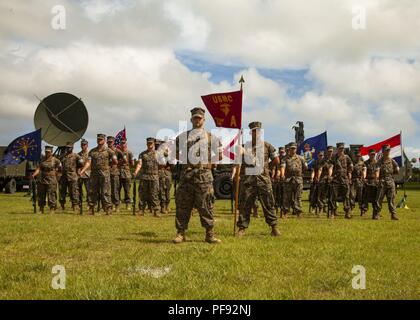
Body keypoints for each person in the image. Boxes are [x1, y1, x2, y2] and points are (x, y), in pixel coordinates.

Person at [173, 107, 223, 244]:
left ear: (204, 120)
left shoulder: (211, 137)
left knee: (206, 205)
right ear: (191, 119)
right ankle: (181, 233)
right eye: (195, 118)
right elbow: (175, 153)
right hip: (187, 175)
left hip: (204, 176)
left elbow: (219, 154)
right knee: (183, 205)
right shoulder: (182, 137)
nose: (197, 120)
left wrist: (208, 164)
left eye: (199, 118)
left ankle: (209, 234)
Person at [236, 121, 281, 237]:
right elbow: (238, 162)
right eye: (254, 131)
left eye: (258, 131)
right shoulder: (245, 146)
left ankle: (274, 227)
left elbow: (276, 160)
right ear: (251, 133)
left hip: (263, 180)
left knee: (268, 203)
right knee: (245, 204)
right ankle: (242, 228)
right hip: (248, 181)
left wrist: (267, 169)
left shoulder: (267, 146)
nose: (256, 133)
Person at [79, 134, 117, 215]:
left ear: (104, 140)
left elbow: (115, 161)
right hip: (94, 175)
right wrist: (82, 171)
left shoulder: (109, 151)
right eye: (98, 139)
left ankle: (107, 209)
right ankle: (91, 208)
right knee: (92, 192)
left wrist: (110, 163)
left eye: (101, 139)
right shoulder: (92, 151)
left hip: (105, 175)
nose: (99, 141)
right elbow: (88, 162)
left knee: (105, 192)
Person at [134, 137, 161, 217]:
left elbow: (162, 164)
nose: (150, 144)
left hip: (154, 176)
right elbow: (139, 164)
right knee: (143, 195)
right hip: (144, 176)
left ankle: (156, 211)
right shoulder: (142, 154)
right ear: (146, 144)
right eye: (148, 143)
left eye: (151, 143)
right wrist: (136, 171)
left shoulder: (158, 153)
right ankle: (141, 210)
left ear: (154, 144)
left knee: (154, 194)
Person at [280, 142, 307, 218]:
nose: (293, 150)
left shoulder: (301, 158)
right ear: (289, 149)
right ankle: (285, 212)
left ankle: (298, 212)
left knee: (298, 197)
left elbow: (305, 167)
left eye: (294, 148)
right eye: (291, 148)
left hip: (298, 179)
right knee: (287, 197)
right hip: (288, 179)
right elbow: (283, 167)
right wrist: (282, 174)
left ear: (296, 149)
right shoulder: (285, 158)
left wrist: (301, 174)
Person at [32, 146, 61, 213]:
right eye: (46, 152)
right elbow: (39, 168)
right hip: (42, 179)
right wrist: (34, 175)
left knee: (51, 194)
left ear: (51, 152)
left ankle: (52, 208)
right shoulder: (42, 159)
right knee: (41, 194)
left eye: (48, 152)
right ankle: (41, 208)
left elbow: (60, 169)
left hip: (52, 180)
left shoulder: (56, 160)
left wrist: (57, 177)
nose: (47, 153)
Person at [375, 144, 400, 220]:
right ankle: (377, 214)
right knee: (379, 199)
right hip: (382, 181)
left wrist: (397, 169)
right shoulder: (379, 161)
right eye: (386, 150)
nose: (388, 152)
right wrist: (377, 178)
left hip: (390, 181)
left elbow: (397, 167)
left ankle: (393, 215)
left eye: (389, 150)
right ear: (383, 151)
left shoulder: (392, 160)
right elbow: (377, 170)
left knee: (391, 199)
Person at [328, 142, 353, 219]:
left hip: (344, 179)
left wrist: (350, 173)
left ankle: (347, 212)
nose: (341, 150)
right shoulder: (334, 157)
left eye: (342, 148)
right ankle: (332, 211)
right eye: (340, 148)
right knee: (333, 196)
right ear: (337, 149)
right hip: (336, 179)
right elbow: (331, 167)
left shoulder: (347, 157)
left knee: (346, 196)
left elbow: (350, 165)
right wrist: (330, 176)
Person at [59, 142, 82, 212]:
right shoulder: (62, 156)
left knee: (74, 192)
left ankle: (75, 205)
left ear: (72, 148)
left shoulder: (76, 156)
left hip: (72, 176)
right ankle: (62, 205)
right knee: (62, 192)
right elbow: (60, 166)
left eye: (69, 147)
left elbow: (81, 164)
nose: (68, 149)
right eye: (67, 147)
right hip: (63, 177)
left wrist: (77, 171)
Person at [107, 136, 123, 212]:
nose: (109, 143)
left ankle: (116, 205)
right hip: (106, 172)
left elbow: (124, 160)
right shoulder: (105, 151)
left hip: (114, 172)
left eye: (111, 142)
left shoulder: (118, 151)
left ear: (114, 142)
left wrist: (117, 165)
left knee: (114, 190)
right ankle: (109, 205)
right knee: (106, 190)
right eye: (108, 142)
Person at [118, 138, 134, 210]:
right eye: (121, 143)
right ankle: (117, 205)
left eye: (124, 143)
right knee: (117, 189)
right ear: (120, 144)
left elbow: (132, 163)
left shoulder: (129, 152)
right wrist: (121, 161)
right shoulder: (117, 152)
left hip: (127, 173)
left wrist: (126, 161)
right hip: (118, 172)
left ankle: (128, 205)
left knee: (127, 190)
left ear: (126, 144)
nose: (123, 145)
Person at [362, 149, 379, 217]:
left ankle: (375, 212)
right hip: (367, 181)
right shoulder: (365, 162)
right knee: (366, 197)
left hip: (374, 181)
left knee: (375, 198)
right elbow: (364, 171)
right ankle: (364, 210)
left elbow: (377, 171)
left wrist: (377, 179)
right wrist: (364, 178)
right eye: (371, 154)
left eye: (374, 154)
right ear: (369, 154)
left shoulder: (377, 162)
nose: (373, 155)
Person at [350, 150, 367, 215]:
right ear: (355, 156)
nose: (358, 157)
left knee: (360, 196)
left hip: (360, 181)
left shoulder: (363, 163)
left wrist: (364, 178)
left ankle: (362, 210)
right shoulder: (352, 162)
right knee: (352, 195)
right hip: (353, 181)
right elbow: (350, 171)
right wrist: (350, 179)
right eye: (357, 156)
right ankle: (351, 208)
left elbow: (364, 171)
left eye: (359, 156)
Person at [78, 139, 91, 210]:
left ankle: (89, 204)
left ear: (87, 145)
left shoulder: (90, 153)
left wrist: (82, 171)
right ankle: (80, 204)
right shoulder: (78, 154)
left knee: (88, 190)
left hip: (88, 174)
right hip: (80, 174)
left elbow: (88, 164)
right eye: (82, 145)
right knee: (79, 190)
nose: (83, 146)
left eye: (84, 145)